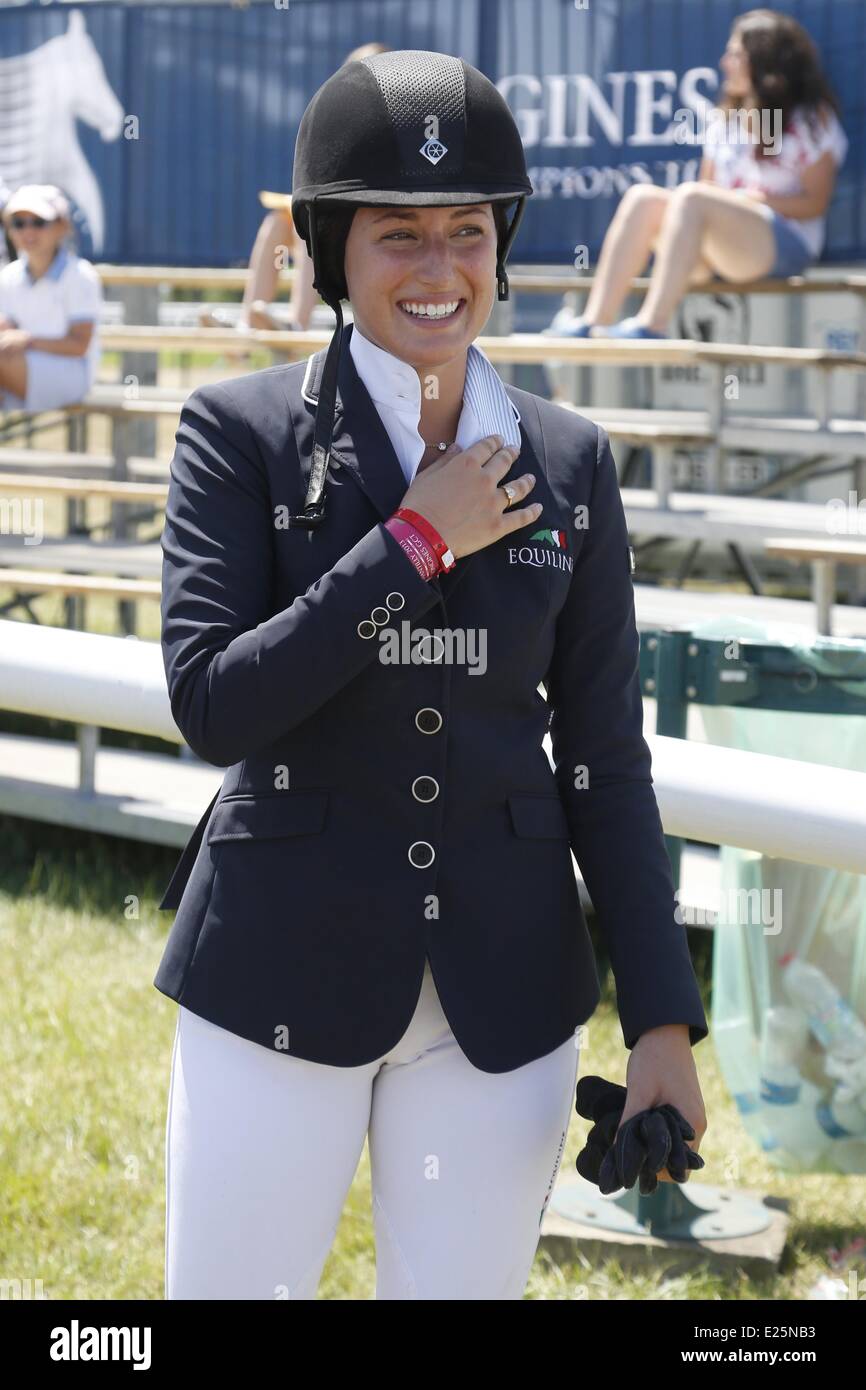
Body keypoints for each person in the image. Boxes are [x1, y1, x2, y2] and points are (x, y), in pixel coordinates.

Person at [155, 48, 708, 1301]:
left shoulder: (571, 462)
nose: (438, 267)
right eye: (397, 233)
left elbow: (605, 759)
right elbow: (212, 702)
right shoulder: (235, 432)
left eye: (465, 231)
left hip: (500, 997)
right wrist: (413, 540)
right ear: (332, 250)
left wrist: (661, 1024)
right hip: (273, 977)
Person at [550, 8, 847, 340]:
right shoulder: (725, 119)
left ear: (763, 59)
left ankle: (652, 325)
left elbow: (814, 204)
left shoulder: (810, 120)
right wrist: (722, 202)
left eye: (735, 54)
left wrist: (751, 200)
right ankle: (593, 322)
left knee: (692, 196)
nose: (724, 62)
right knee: (643, 198)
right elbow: (708, 192)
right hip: (717, 253)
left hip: (782, 247)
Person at [205, 42, 390, 337]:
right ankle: (247, 325)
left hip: (378, 230)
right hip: (345, 223)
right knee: (278, 223)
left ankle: (296, 323)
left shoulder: (394, 127)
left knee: (308, 224)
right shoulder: (343, 123)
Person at [0, 184, 102, 411]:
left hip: (72, 373)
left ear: (61, 226)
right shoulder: (8, 275)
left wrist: (26, 340)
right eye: (18, 223)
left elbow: (79, 346)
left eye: (38, 222)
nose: (28, 231)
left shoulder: (81, 275)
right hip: (21, 366)